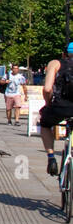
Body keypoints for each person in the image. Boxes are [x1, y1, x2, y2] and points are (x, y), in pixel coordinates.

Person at [40, 44, 73, 177]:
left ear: (64, 54)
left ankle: (51, 157)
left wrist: (48, 104)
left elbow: (47, 89)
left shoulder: (55, 63)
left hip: (61, 106)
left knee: (45, 124)